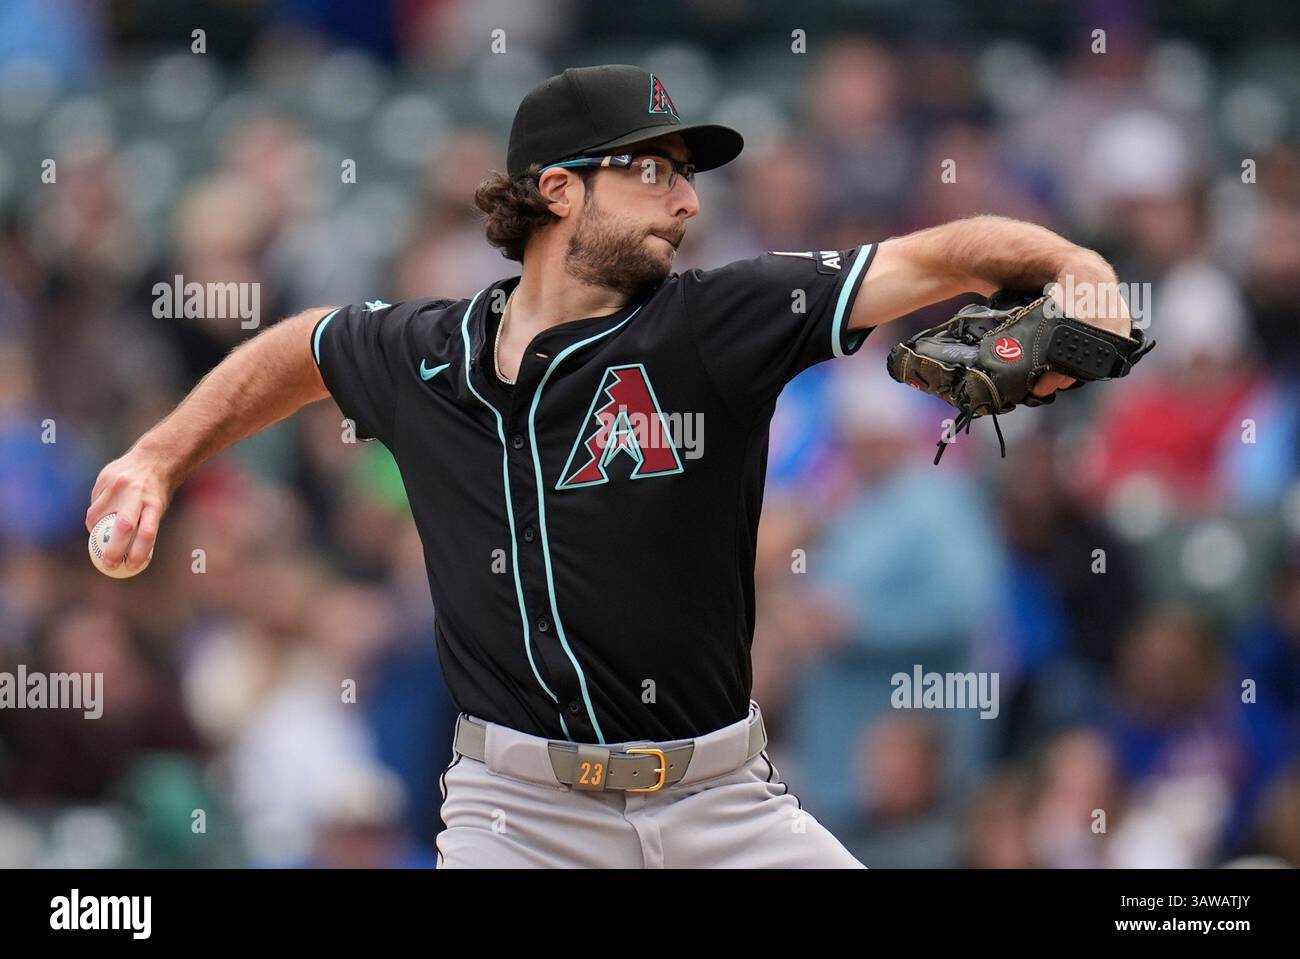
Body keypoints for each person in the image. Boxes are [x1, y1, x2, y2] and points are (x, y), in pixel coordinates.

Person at [86, 64, 1132, 868]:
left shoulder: (721, 321)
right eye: (653, 170)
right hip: (519, 814)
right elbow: (304, 346)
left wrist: (1077, 268)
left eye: (685, 175)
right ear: (555, 191)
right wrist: (156, 456)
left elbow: (941, 254)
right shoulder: (422, 352)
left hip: (720, 801)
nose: (684, 199)